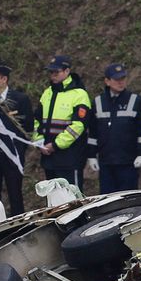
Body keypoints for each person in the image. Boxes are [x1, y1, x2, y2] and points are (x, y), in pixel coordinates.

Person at [87, 63, 141, 195]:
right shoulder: (98, 102)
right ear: (107, 81)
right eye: (117, 80)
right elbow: (93, 132)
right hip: (106, 162)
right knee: (107, 200)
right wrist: (91, 155)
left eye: (123, 79)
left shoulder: (135, 101)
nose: (120, 82)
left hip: (129, 161)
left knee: (129, 199)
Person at [33, 54, 92, 190]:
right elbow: (37, 121)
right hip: (48, 157)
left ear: (67, 71)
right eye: (51, 72)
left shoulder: (79, 94)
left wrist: (56, 145)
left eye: (56, 72)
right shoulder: (47, 93)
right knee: (53, 200)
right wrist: (39, 142)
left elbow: (78, 126)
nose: (53, 75)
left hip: (70, 157)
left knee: (73, 198)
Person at [0, 64, 33, 216]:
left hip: (12, 153)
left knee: (15, 193)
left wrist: (19, 148)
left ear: (4, 79)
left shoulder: (20, 99)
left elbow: (28, 126)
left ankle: (19, 225)